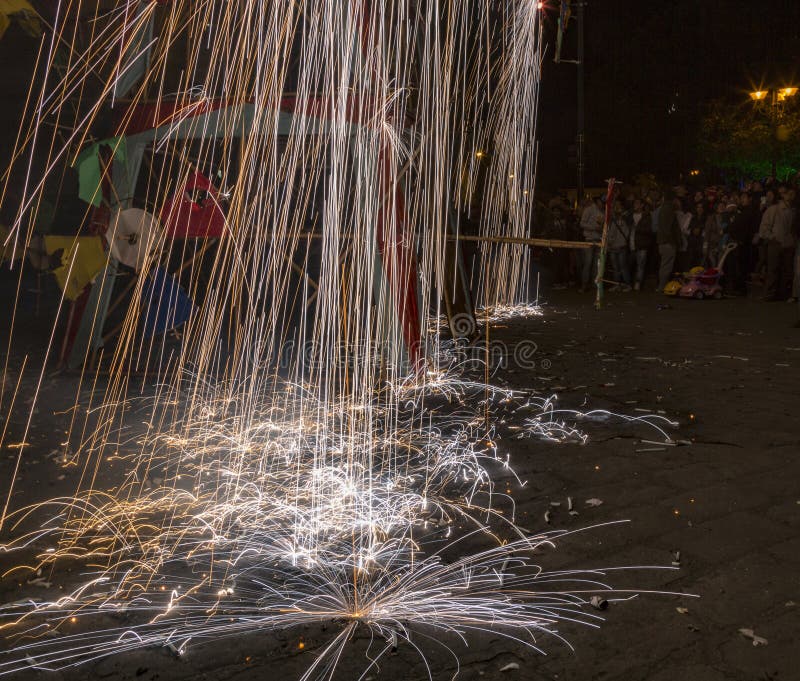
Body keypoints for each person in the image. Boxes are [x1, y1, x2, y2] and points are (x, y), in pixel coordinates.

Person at [758, 188, 796, 300]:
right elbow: (764, 227)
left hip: (788, 244)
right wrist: (772, 237)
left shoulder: (794, 211)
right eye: (789, 194)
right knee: (773, 269)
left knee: (785, 270)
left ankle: (781, 293)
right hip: (776, 242)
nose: (791, 197)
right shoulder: (774, 210)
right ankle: (770, 293)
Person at [656, 192, 681, 291]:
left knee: (664, 264)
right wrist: (673, 241)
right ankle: (662, 286)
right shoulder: (669, 210)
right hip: (668, 242)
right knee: (667, 265)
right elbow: (669, 228)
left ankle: (662, 285)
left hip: (663, 241)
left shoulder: (662, 209)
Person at [579, 196, 603, 292]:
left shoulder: (603, 212)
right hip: (589, 239)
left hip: (598, 240)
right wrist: (593, 228)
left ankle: (594, 285)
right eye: (601, 202)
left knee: (596, 264)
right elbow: (582, 223)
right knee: (588, 263)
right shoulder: (589, 209)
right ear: (597, 202)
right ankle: (584, 285)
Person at [627, 197, 652, 290]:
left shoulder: (646, 216)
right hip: (631, 244)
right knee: (629, 265)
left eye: (637, 203)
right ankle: (630, 283)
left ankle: (638, 283)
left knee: (640, 265)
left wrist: (637, 228)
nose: (635, 205)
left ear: (642, 205)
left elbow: (649, 230)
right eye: (634, 203)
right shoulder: (630, 216)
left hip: (641, 245)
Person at [607, 203, 631, 290]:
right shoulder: (625, 221)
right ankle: (623, 284)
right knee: (621, 267)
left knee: (618, 267)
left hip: (615, 247)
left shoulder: (614, 222)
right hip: (621, 246)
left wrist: (609, 242)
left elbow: (611, 235)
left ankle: (621, 284)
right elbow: (627, 233)